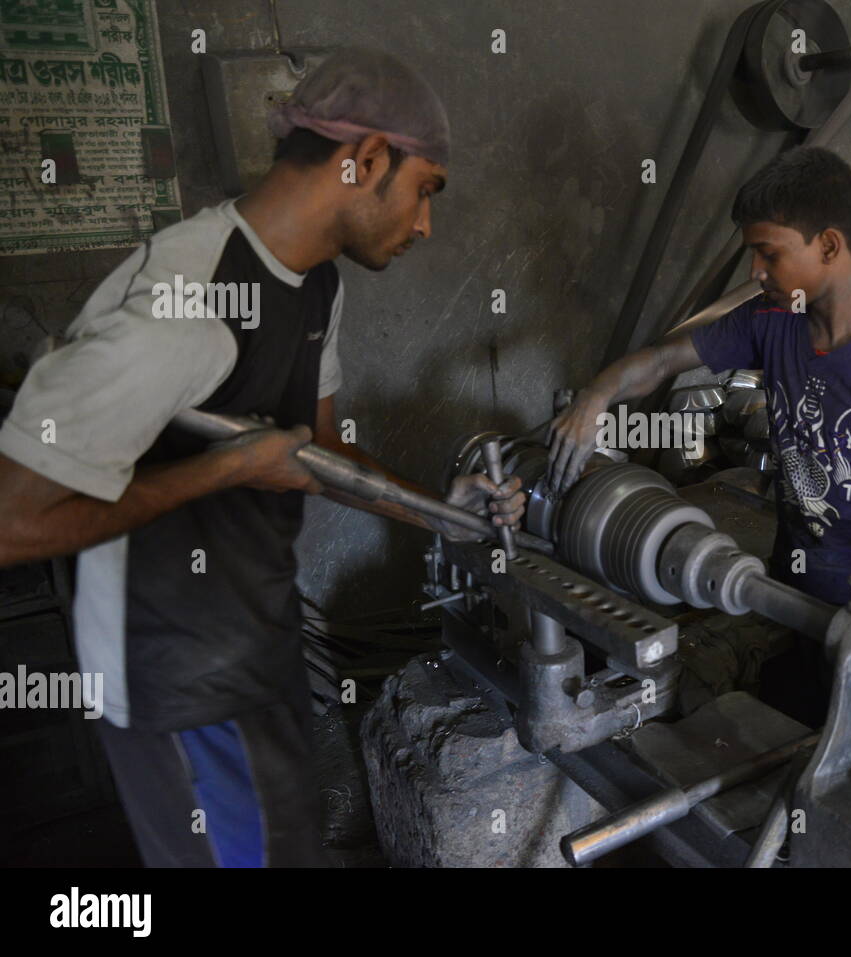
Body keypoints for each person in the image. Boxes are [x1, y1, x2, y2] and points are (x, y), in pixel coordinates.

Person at [0, 48, 525, 866]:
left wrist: (444, 510)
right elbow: (11, 521)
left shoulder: (316, 281)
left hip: (256, 636)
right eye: (426, 190)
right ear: (368, 160)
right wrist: (230, 467)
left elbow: (316, 452)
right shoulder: (181, 306)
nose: (425, 224)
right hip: (169, 677)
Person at [548, 147, 851, 644]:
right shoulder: (771, 319)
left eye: (770, 253)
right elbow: (661, 360)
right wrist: (594, 398)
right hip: (787, 588)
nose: (755, 271)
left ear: (828, 245)